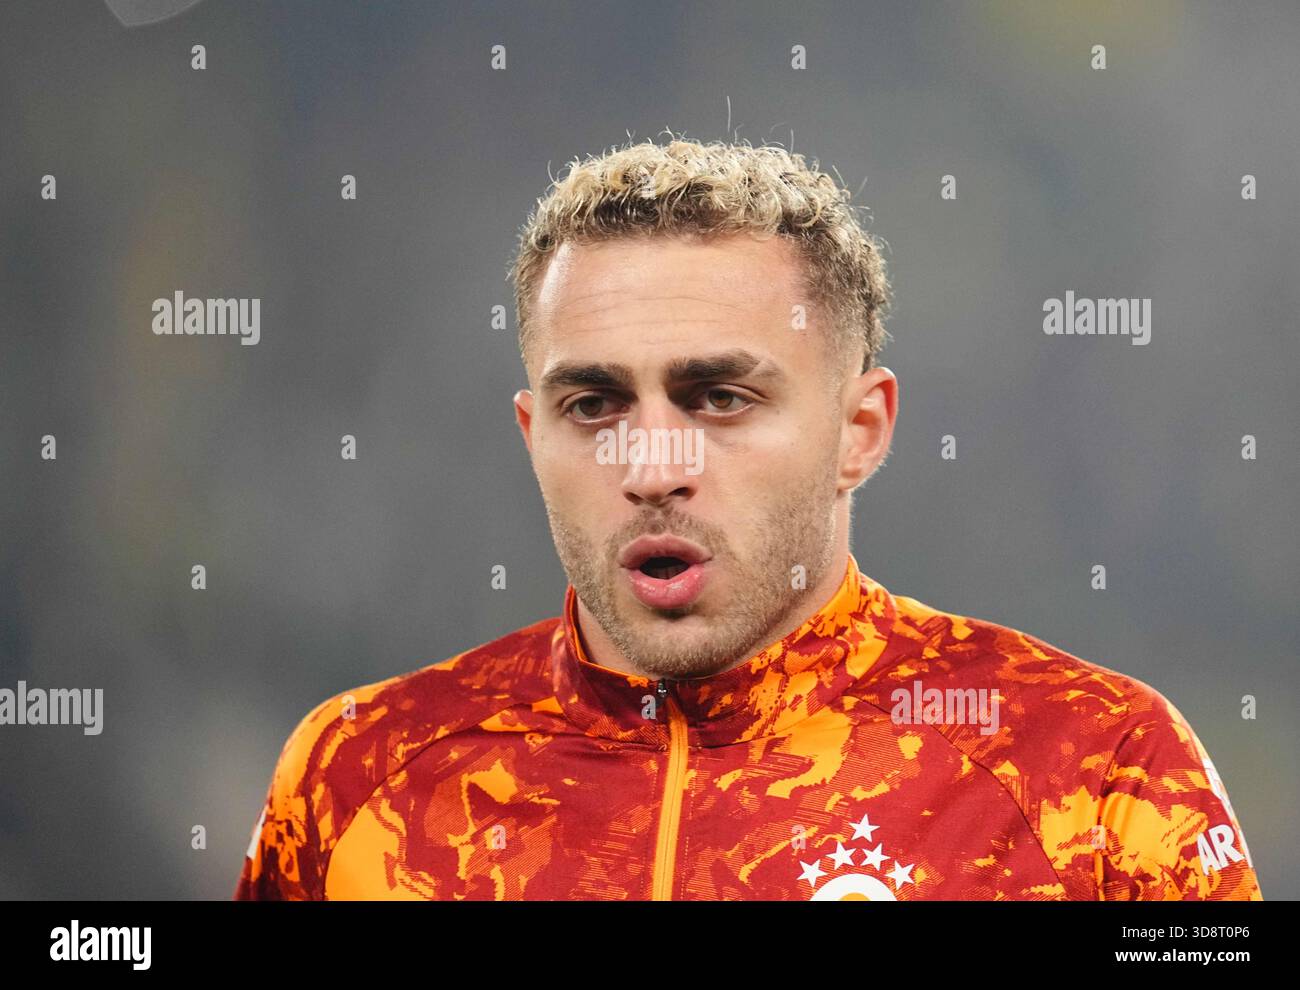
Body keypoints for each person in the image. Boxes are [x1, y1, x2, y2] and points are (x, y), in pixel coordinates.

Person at [234, 136, 1262, 901]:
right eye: (592, 405)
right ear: (529, 432)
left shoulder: (1098, 768)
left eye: (718, 399)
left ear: (859, 431)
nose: (651, 466)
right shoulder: (356, 773)